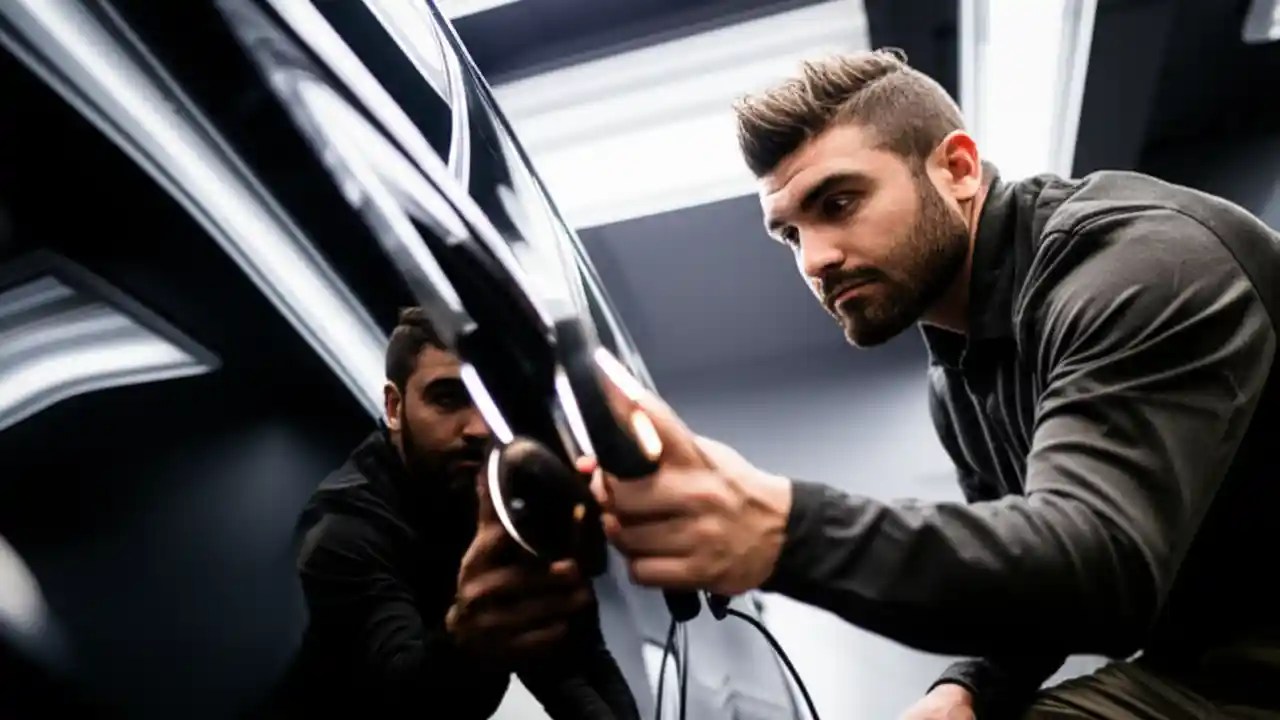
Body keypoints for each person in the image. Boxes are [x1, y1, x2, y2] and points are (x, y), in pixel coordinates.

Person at [584, 49, 1280, 719]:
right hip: (1203, 671)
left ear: (958, 168)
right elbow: (1031, 585)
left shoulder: (1140, 266)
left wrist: (782, 529)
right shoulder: (958, 375)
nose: (817, 259)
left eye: (840, 202)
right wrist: (970, 687)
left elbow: (1099, 565)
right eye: (790, 235)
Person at [288, 307, 639, 719]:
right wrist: (468, 645)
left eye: (491, 401)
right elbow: (399, 699)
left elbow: (578, 664)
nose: (478, 428)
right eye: (447, 398)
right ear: (395, 406)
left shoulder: (504, 492)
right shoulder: (342, 530)